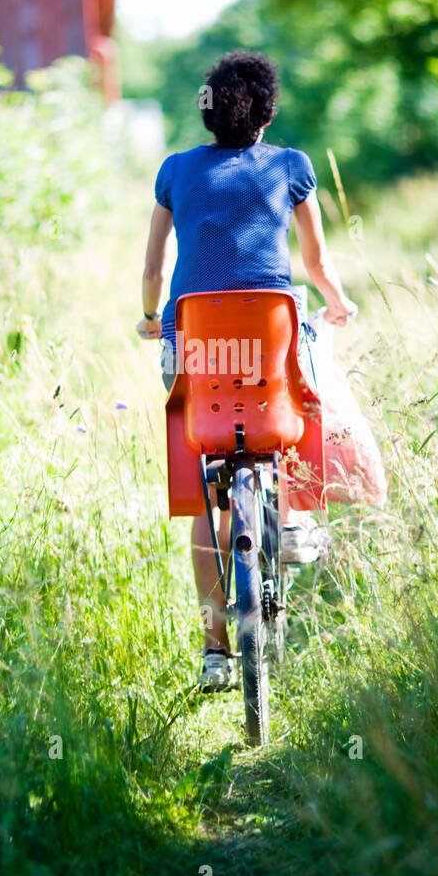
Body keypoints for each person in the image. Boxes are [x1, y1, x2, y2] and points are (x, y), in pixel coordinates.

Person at [136, 50, 356, 690]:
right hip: (269, 349)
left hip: (197, 356)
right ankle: (295, 515)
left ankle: (213, 651)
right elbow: (315, 265)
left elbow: (153, 270)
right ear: (267, 112)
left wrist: (151, 316)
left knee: (201, 490)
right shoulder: (292, 166)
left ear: (207, 114)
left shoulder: (175, 173)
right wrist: (338, 304)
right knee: (312, 373)